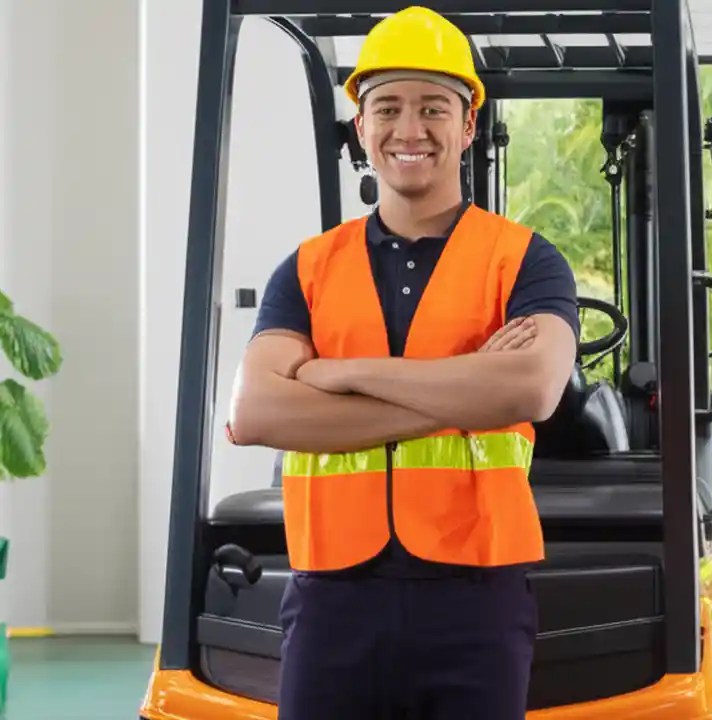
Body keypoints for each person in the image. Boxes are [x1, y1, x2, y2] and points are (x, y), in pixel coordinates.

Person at [224, 7, 579, 718]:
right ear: (361, 127)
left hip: (477, 595)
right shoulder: (308, 269)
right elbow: (256, 413)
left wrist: (342, 374)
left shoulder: (524, 260)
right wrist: (468, 390)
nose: (408, 128)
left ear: (468, 125)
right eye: (387, 108)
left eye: (432, 108)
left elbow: (533, 388)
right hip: (332, 596)